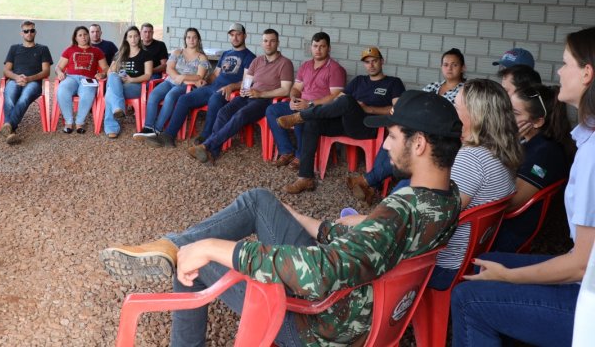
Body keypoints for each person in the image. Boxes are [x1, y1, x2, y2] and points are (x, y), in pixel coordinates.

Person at [100, 90, 463, 347]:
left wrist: (214, 248)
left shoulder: (400, 210)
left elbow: (321, 272)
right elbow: (369, 245)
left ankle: (175, 250)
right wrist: (304, 220)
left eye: (393, 136)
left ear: (419, 144)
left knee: (192, 253)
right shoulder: (447, 200)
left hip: (316, 324)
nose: (384, 144)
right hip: (354, 310)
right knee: (261, 200)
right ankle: (171, 245)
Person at [451, 27, 595, 347]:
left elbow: (582, 265)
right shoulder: (584, 142)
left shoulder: (590, 154)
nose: (558, 72)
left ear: (587, 73)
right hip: (584, 274)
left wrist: (509, 277)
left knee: (467, 297)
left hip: (587, 295)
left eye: (565, 63)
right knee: (482, 266)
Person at [427, 78, 521, 290]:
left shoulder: (472, 159)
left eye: (456, 106)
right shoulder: (501, 152)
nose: (451, 111)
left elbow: (433, 220)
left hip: (445, 267)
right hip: (470, 259)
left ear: (475, 116)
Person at [279, 47, 405, 194]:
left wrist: (369, 109)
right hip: (345, 123)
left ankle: (302, 116)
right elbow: (337, 101)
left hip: (368, 126)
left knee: (347, 101)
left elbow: (398, 110)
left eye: (374, 61)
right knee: (313, 123)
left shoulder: (393, 83)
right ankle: (305, 178)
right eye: (367, 62)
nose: (371, 65)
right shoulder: (359, 80)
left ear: (382, 61)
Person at [348, 47, 466, 204]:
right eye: (446, 64)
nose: (449, 68)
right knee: (397, 135)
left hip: (440, 138)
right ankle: (372, 185)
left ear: (463, 68)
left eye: (454, 65)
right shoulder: (433, 86)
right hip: (420, 131)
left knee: (404, 144)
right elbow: (415, 106)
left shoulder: (465, 91)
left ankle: (368, 181)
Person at [187, 29, 293, 165]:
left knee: (240, 114)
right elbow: (247, 82)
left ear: (278, 43)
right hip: (248, 96)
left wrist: (261, 94)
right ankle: (211, 152)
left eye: (272, 41)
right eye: (265, 41)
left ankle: (206, 146)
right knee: (223, 112)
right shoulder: (257, 61)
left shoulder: (285, 63)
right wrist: (244, 89)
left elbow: (285, 90)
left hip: (265, 100)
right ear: (262, 43)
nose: (268, 44)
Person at [146, 23, 255, 148]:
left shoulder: (250, 57)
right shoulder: (226, 53)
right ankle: (168, 135)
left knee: (214, 99)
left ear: (245, 36)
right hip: (212, 87)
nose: (234, 38)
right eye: (232, 35)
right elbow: (215, 74)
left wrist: (231, 87)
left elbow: (246, 82)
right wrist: (204, 81)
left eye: (238, 34)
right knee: (184, 99)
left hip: (227, 91)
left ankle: (206, 136)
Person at [491, 83, 571, 252]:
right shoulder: (533, 143)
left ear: (538, 121)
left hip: (515, 234)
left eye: (514, 113)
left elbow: (511, 203)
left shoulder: (545, 153)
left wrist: (508, 143)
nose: (506, 116)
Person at [265, 31, 346, 169]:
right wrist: (293, 98)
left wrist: (309, 104)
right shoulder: (306, 66)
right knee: (272, 110)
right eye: (315, 46)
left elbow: (335, 97)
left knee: (301, 117)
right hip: (301, 103)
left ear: (329, 48)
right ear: (311, 47)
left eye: (322, 46)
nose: (318, 50)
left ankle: (301, 156)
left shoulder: (335, 69)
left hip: (318, 108)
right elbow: (296, 88)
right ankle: (286, 151)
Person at [134, 28, 209, 139]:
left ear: (198, 40)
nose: (191, 40)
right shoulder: (177, 52)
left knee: (170, 96)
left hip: (186, 86)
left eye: (194, 37)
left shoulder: (202, 57)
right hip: (171, 81)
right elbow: (169, 69)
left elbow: (199, 76)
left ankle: (157, 129)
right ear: (185, 39)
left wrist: (183, 77)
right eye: (189, 37)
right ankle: (148, 127)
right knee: (154, 94)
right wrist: (179, 77)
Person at [0, 20, 52, 144]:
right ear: (21, 33)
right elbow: (6, 70)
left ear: (35, 32)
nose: (29, 33)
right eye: (26, 31)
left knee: (24, 98)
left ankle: (8, 125)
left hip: (33, 82)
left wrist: (29, 79)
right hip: (15, 80)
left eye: (32, 30)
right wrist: (17, 77)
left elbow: (46, 72)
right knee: (9, 98)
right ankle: (11, 132)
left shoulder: (43, 49)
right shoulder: (14, 48)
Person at [55, 26, 107, 134]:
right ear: (75, 38)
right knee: (62, 90)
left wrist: (102, 74)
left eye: (85, 34)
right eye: (80, 35)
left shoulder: (97, 51)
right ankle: (68, 122)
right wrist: (60, 73)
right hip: (71, 77)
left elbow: (106, 68)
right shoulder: (70, 50)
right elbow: (58, 67)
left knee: (88, 94)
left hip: (88, 79)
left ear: (88, 36)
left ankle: (79, 123)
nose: (83, 37)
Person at [103, 26, 152, 138]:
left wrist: (132, 79)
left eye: (135, 36)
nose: (133, 39)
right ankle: (118, 109)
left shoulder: (145, 54)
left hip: (136, 86)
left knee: (110, 92)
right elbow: (110, 71)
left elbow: (148, 75)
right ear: (126, 39)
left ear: (139, 37)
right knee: (113, 76)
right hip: (120, 84)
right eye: (130, 36)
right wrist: (119, 78)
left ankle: (112, 127)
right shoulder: (120, 54)